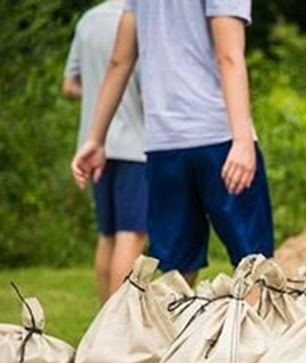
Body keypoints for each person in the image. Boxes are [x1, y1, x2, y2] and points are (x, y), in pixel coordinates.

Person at [70, 0, 274, 286]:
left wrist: (96, 138)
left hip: (163, 144)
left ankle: (167, 332)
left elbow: (120, 61)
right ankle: (255, 332)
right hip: (220, 137)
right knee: (254, 264)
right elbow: (228, 56)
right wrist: (241, 140)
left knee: (176, 272)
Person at [63, 0, 147, 303]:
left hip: (93, 143)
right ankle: (118, 326)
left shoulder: (88, 19)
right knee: (133, 233)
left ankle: (103, 320)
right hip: (134, 144)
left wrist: (100, 93)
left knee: (108, 234)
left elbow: (69, 85)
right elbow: (146, 89)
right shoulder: (139, 17)